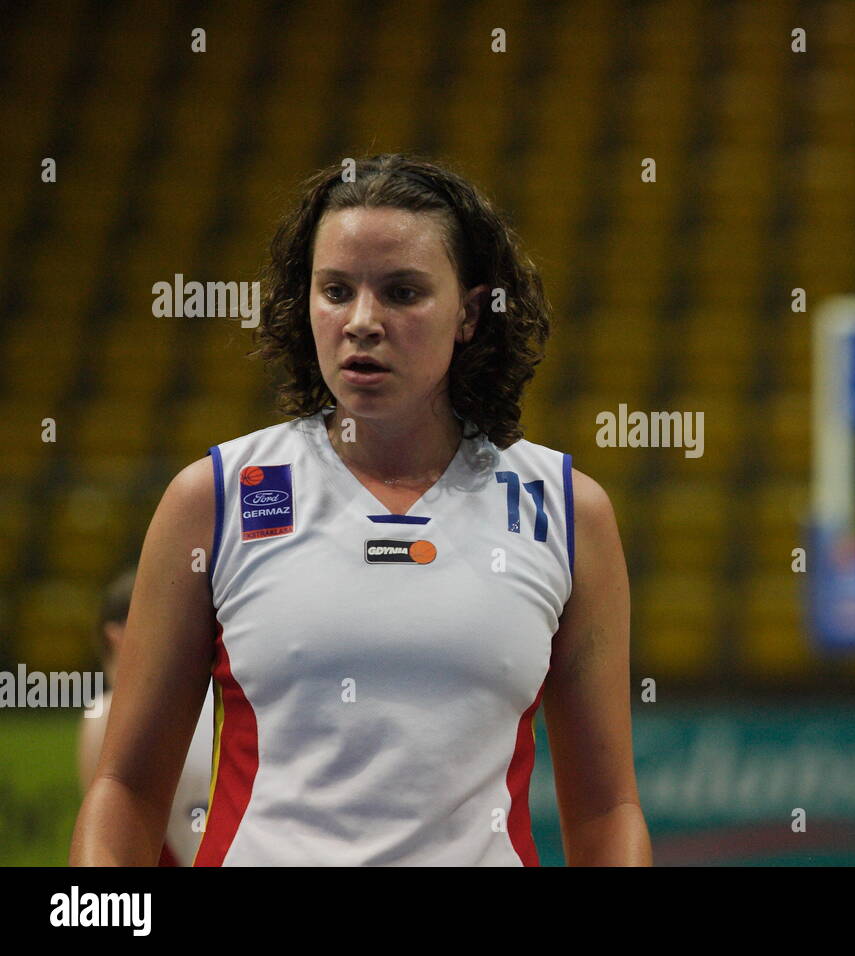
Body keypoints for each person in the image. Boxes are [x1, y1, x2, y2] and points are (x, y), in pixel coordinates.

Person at [71, 154, 651, 865]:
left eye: (403, 293)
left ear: (469, 313)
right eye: (336, 291)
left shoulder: (565, 511)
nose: (362, 322)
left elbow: (606, 811)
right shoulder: (214, 500)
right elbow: (126, 790)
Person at [77, 567, 213, 866]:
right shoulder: (104, 713)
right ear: (115, 635)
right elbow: (108, 830)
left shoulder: (208, 698)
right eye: (154, 621)